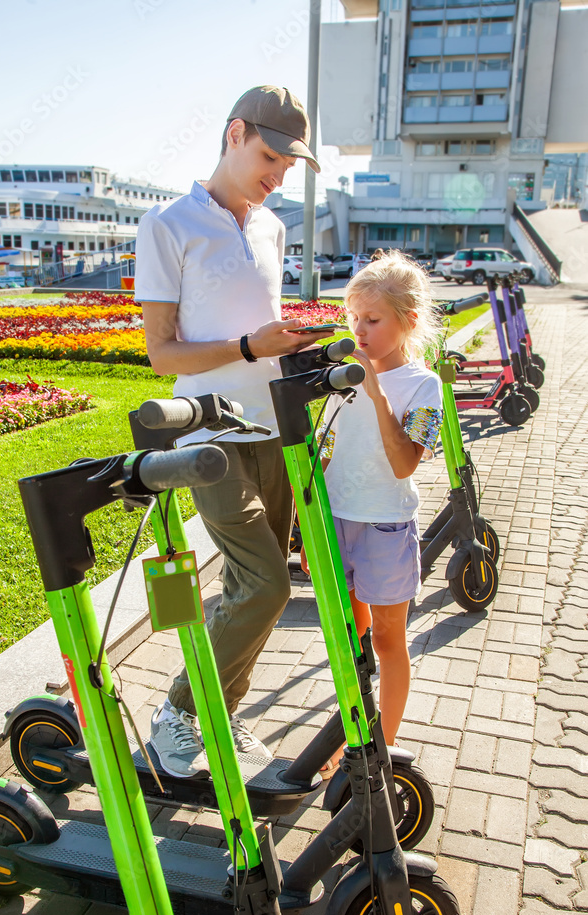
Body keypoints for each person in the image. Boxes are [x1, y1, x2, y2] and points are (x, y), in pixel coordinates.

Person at [134, 85, 322, 778]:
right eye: (270, 156)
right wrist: (247, 346)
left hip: (271, 428)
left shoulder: (271, 227)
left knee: (257, 591)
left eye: (289, 165)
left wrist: (288, 346)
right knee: (266, 585)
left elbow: (259, 334)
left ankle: (218, 711)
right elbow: (163, 353)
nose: (278, 175)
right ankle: (177, 715)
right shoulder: (168, 224)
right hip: (205, 437)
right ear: (235, 133)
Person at [303, 248, 443, 766]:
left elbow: (407, 462)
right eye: (353, 318)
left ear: (406, 322)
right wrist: (305, 519)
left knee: (387, 639)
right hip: (336, 522)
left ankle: (378, 747)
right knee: (350, 641)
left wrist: (377, 391)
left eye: (372, 319)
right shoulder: (342, 379)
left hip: (386, 527)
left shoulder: (425, 387)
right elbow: (323, 445)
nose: (358, 331)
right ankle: (347, 737)